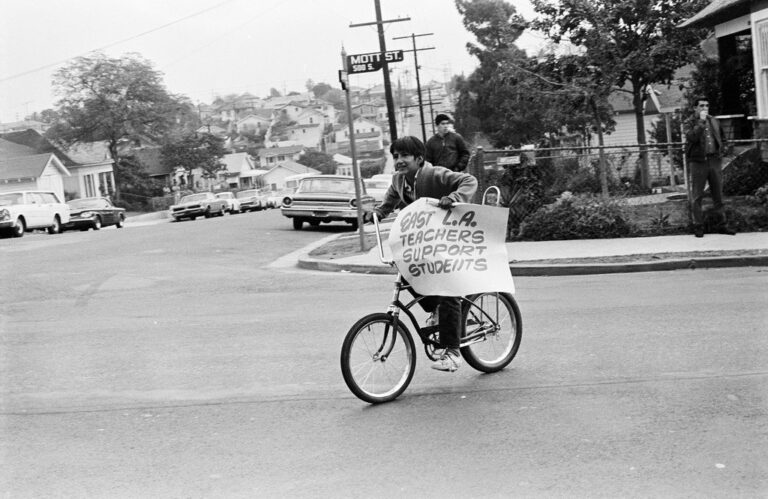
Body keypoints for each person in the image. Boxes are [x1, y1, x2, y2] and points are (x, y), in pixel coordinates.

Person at [365, 136, 478, 372]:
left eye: (404, 156)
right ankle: (436, 310)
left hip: (448, 239)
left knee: (448, 290)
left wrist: (453, 198)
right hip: (424, 242)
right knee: (407, 271)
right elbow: (390, 200)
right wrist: (378, 212)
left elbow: (469, 180)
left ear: (419, 158)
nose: (399, 160)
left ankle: (453, 352)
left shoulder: (435, 174)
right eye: (395, 156)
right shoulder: (398, 179)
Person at [684, 98, 735, 237]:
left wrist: (723, 149)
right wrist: (701, 122)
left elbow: (722, 137)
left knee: (718, 194)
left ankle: (722, 225)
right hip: (698, 162)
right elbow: (692, 138)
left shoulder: (714, 120)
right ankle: (698, 226)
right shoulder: (689, 122)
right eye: (701, 105)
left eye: (707, 105)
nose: (705, 108)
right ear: (695, 108)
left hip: (714, 160)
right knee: (697, 196)